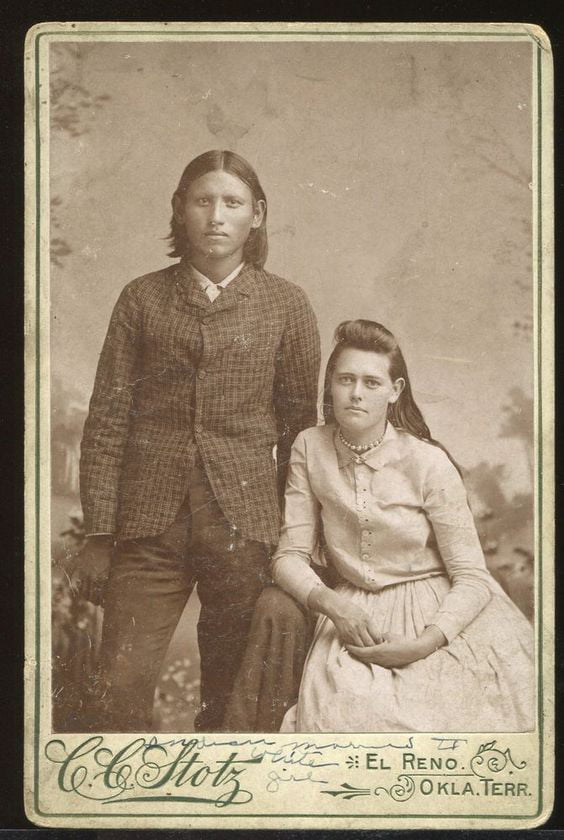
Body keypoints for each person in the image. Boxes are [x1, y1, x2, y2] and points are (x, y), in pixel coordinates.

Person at [78, 150, 321, 732]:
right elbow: (108, 420)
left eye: (232, 203)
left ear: (256, 216)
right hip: (146, 525)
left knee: (232, 696)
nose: (216, 215)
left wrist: (295, 537)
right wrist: (100, 532)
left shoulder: (286, 305)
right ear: (179, 210)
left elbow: (297, 435)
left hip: (244, 527)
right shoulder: (141, 298)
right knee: (118, 687)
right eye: (202, 200)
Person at [271, 319, 534, 732]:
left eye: (372, 383)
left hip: (442, 610)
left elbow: (471, 576)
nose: (356, 393)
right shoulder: (310, 446)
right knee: (347, 718)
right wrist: (333, 605)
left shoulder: (428, 462)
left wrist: (423, 642)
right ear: (331, 387)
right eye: (345, 379)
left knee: (451, 720)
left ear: (395, 392)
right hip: (355, 609)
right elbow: (288, 557)